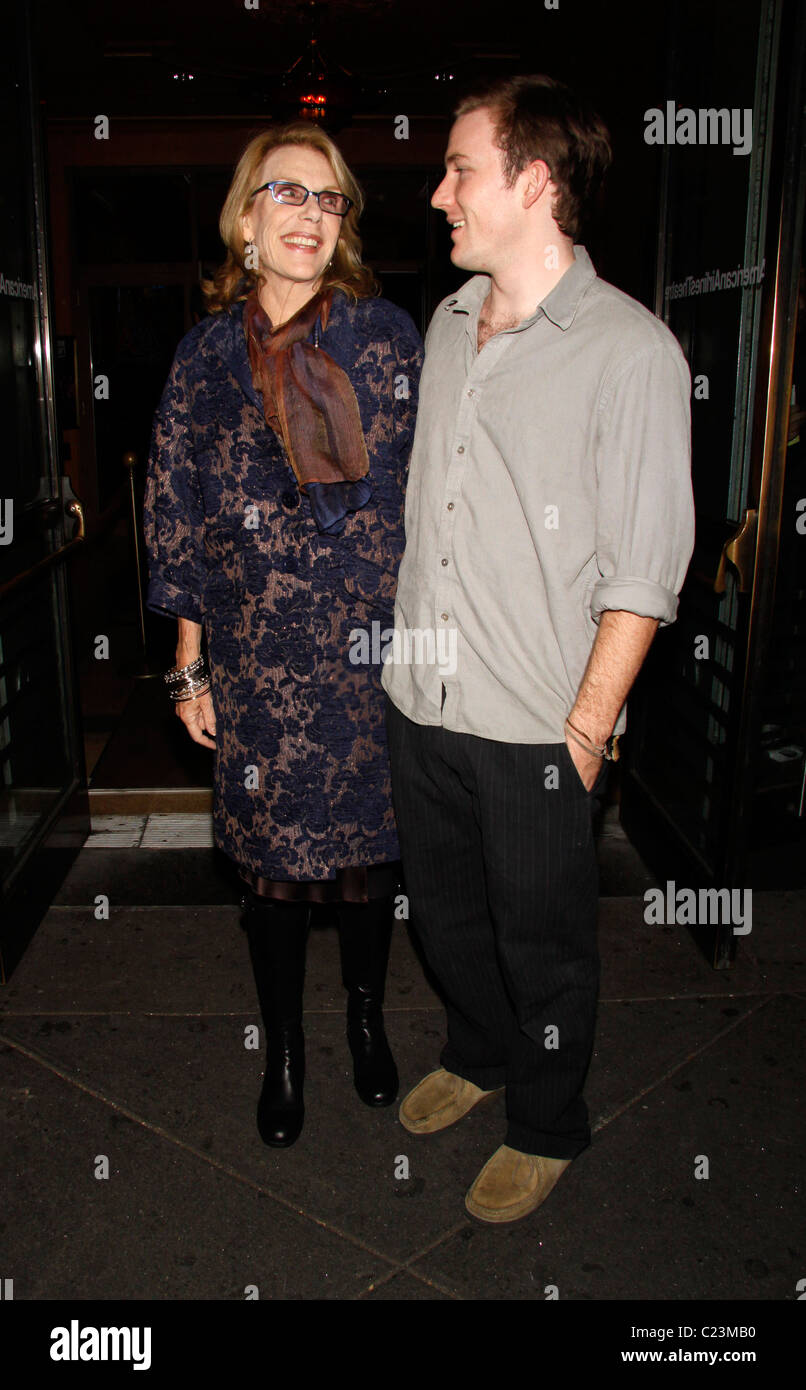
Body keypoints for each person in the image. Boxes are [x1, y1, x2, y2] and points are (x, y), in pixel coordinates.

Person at [382, 75, 695, 1222]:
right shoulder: (448, 324)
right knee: (448, 916)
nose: (438, 194)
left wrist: (585, 732)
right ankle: (482, 1050)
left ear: (533, 182)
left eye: (459, 169)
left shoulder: (631, 352)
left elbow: (641, 572)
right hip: (420, 702)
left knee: (545, 943)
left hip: (534, 729)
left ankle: (547, 1117)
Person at [143, 123, 423, 1148]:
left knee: (362, 867)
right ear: (247, 217)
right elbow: (174, 508)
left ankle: (361, 1015)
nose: (309, 213)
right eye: (287, 193)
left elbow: (434, 498)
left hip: (367, 656)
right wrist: (188, 665)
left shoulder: (385, 336)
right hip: (257, 663)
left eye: (328, 197)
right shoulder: (206, 357)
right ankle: (286, 1048)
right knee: (268, 877)